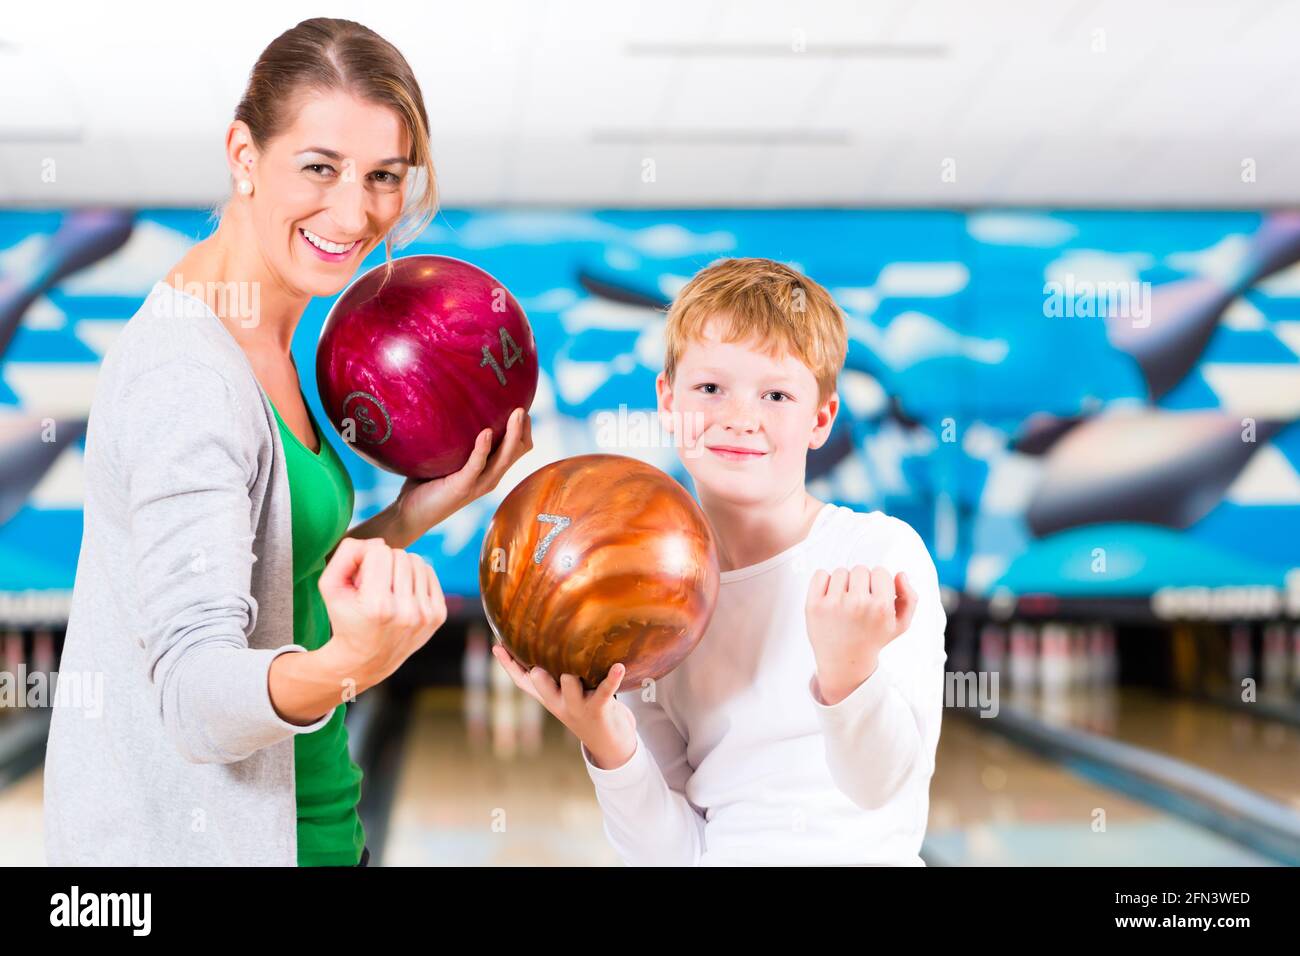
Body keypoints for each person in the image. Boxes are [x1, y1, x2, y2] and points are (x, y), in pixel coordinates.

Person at [43, 17, 533, 866]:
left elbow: (272, 577)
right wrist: (353, 663)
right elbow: (196, 698)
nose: (355, 212)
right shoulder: (188, 379)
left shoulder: (266, 339)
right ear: (243, 155)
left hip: (311, 829)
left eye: (384, 176)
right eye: (319, 167)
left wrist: (412, 515)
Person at [493, 257, 946, 865]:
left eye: (776, 394)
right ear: (666, 398)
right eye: (710, 388)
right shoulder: (641, 593)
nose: (739, 416)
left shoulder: (878, 556)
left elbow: (883, 790)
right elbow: (670, 855)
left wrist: (848, 671)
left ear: (821, 418)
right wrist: (605, 740)